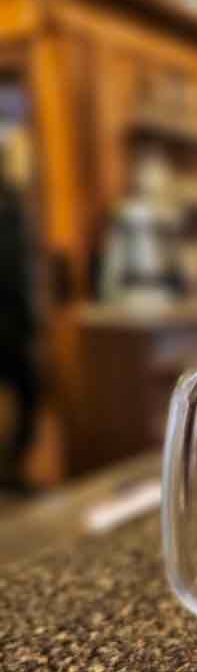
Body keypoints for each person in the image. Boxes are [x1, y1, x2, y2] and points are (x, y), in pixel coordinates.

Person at [0, 161, 38, 491]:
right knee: (27, 390)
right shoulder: (11, 208)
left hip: (13, 318)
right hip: (12, 318)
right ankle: (12, 468)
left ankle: (13, 467)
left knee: (28, 391)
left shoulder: (12, 205)